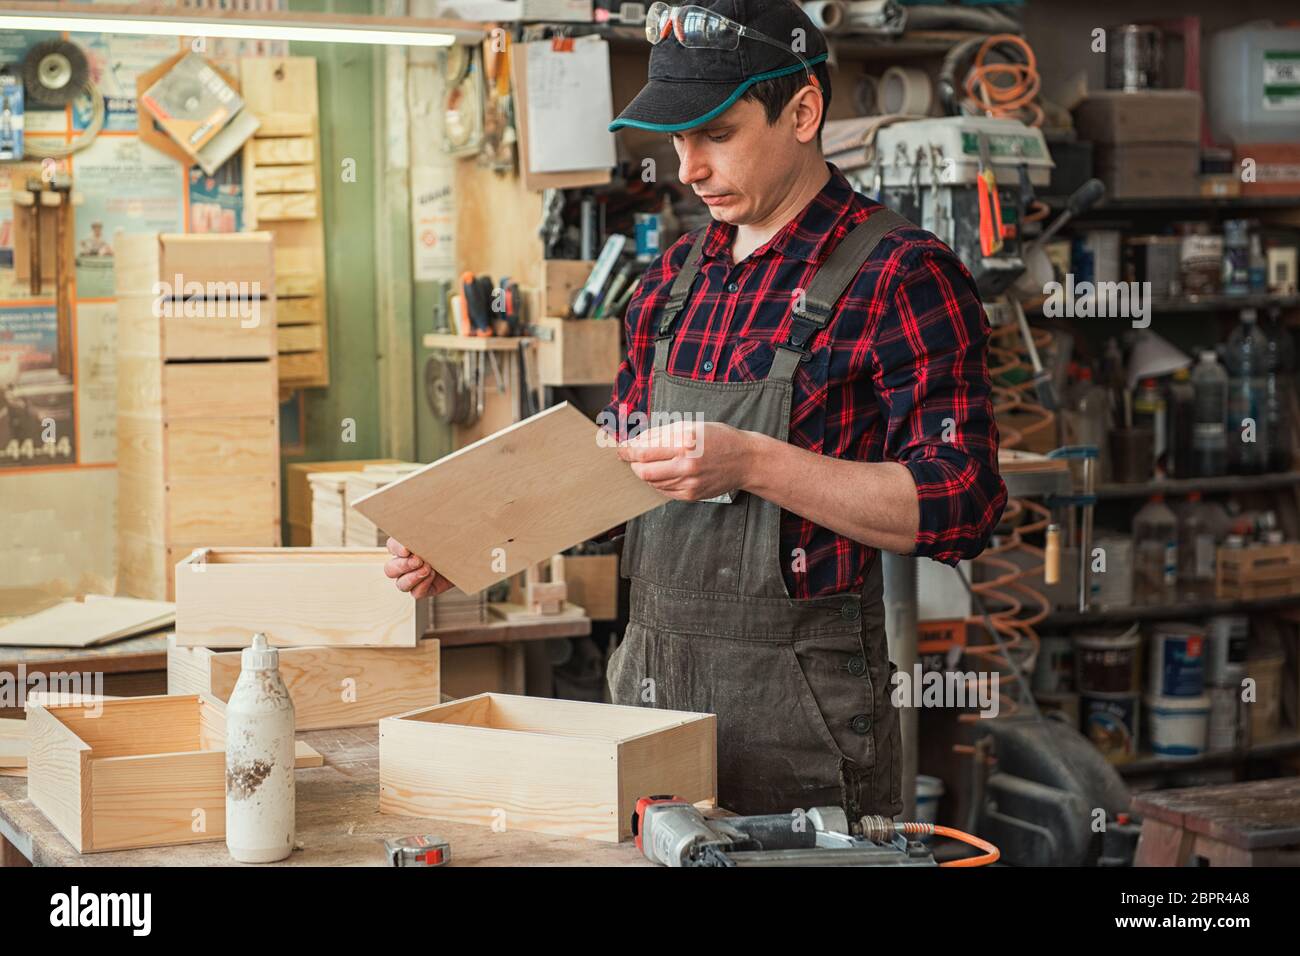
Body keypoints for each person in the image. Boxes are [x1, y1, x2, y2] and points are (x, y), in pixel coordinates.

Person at [387, 0, 1005, 821]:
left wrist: (753, 461)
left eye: (716, 134)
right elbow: (613, 485)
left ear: (803, 112)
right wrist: (462, 541)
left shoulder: (900, 274)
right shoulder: (673, 283)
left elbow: (961, 503)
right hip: (648, 706)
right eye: (677, 140)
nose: (688, 167)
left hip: (806, 730)